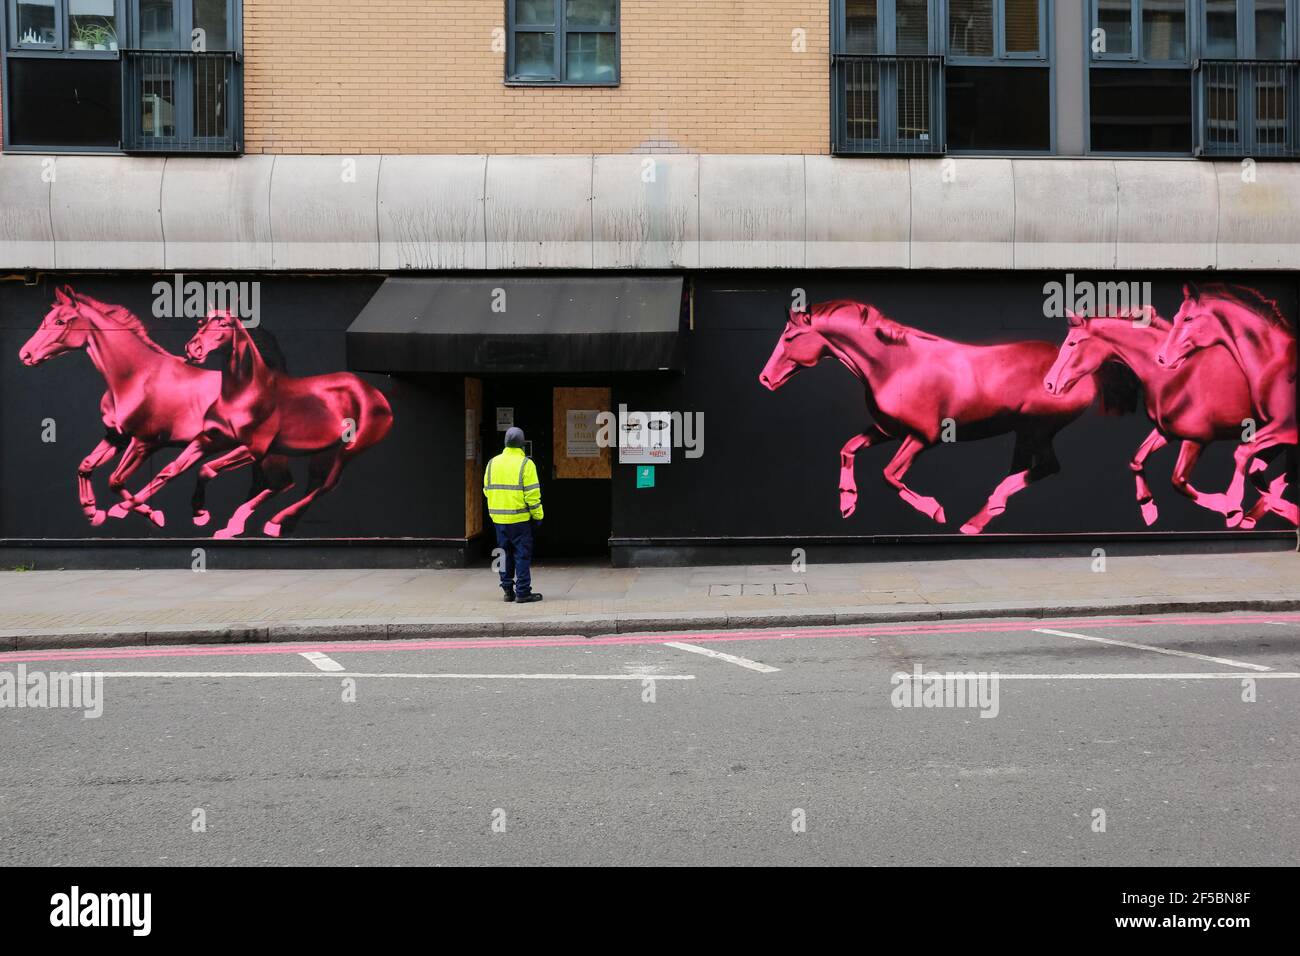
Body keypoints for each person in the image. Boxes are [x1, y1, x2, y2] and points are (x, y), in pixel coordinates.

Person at [483, 426, 544, 603]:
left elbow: (487, 490)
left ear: (505, 443)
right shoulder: (526, 464)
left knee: (503, 554)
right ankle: (523, 592)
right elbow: (532, 495)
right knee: (522, 555)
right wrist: (538, 516)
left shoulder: (492, 463)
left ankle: (507, 591)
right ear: (522, 444)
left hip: (499, 519)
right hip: (519, 520)